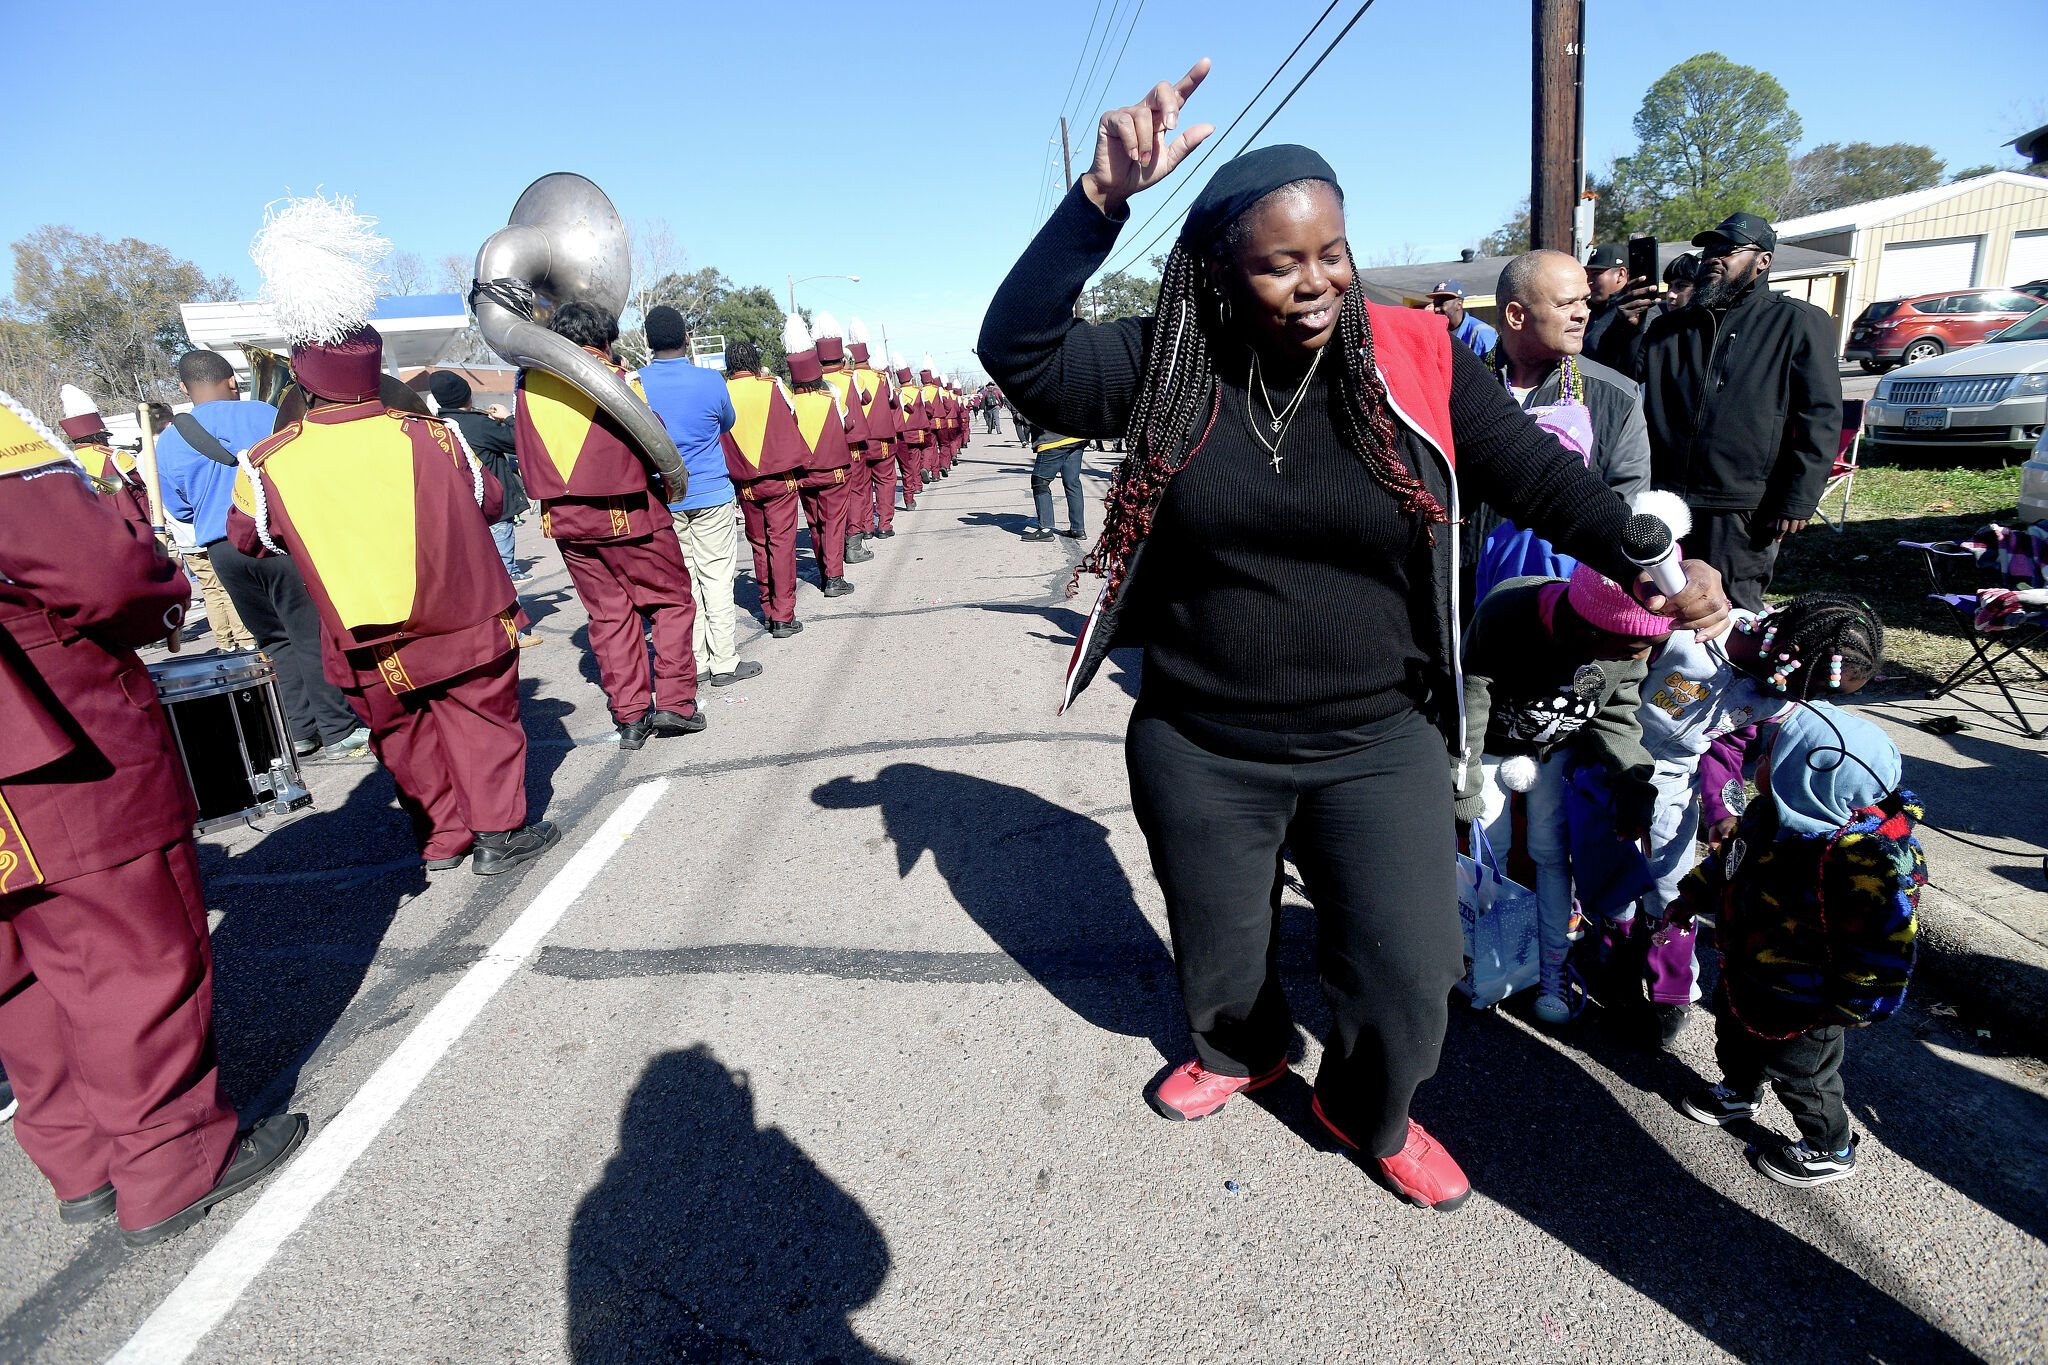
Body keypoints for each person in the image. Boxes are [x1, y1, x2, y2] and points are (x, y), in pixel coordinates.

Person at [979, 60, 1730, 1212]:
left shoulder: (1414, 362)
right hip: (1200, 734)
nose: (1314, 282)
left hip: (1372, 734)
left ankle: (1363, 1107)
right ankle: (1244, 1050)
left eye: (1329, 252)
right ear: (1221, 272)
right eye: (1280, 263)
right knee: (1219, 951)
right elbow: (1019, 355)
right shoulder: (1165, 361)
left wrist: (1647, 556)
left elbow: (1538, 479)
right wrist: (1096, 200)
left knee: (1408, 971)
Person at [0, 391, 307, 1246]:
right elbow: (103, 573)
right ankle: (169, 1162)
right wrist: (161, 601)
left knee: (16, 973)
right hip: (46, 746)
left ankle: (83, 1165)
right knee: (124, 952)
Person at [231, 195, 561, 873]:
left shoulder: (267, 463)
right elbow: (493, 500)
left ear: (303, 376)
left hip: (361, 637)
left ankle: (443, 836)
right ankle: (499, 833)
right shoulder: (434, 437)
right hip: (460, 617)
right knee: (481, 719)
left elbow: (247, 539)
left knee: (402, 732)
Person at [1671, 702, 1923, 1188]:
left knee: (1803, 1073)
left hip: (1811, 997)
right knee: (1734, 1028)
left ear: (1810, 780)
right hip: (1748, 961)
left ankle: (1829, 1146)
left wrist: (1858, 1003)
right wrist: (1692, 896)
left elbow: (1886, 943)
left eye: (1769, 759)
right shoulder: (1770, 813)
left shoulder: (1869, 863)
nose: (1757, 765)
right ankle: (1740, 1089)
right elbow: (1731, 860)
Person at [1629, 591, 1886, 1047]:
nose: (1813, 699)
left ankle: (1671, 992)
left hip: (1670, 785)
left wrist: (1722, 811)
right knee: (1599, 869)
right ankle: (1603, 954)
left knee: (1670, 884)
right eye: (1817, 686)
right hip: (1608, 759)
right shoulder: (1691, 633)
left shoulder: (1775, 694)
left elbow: (1726, 743)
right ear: (1790, 653)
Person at [1459, 566, 1669, 1024]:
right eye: (1630, 649)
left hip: (1556, 750)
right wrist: (1464, 776)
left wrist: (1632, 779)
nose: (1638, 659)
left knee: (1550, 853)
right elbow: (1471, 694)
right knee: (1489, 854)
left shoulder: (1629, 647)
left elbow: (1617, 711)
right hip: (1491, 746)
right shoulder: (1507, 612)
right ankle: (1488, 960)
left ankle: (1552, 965)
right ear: (1588, 628)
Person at [156, 349, 368, 757]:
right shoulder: (263, 413)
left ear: (184, 388)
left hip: (221, 549)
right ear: (232, 380)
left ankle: (300, 731)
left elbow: (179, 507)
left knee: (272, 639)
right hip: (273, 537)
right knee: (308, 633)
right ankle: (339, 731)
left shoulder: (167, 441)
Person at [1630, 213, 1843, 611]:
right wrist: (1622, 323)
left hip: (1741, 504)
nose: (1713, 258)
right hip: (1666, 499)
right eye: (1708, 250)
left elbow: (1821, 415)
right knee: (1658, 607)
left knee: (1732, 612)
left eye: (1727, 250)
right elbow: (1617, 380)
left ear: (1762, 261)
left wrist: (1797, 498)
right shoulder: (1667, 329)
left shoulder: (1797, 322)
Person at [517, 301, 706, 748]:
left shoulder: (526, 384)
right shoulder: (613, 379)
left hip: (565, 522)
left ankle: (631, 716)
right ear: (604, 340)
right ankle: (676, 702)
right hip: (627, 514)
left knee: (608, 615)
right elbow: (653, 438)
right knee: (671, 603)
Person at [1467, 249, 1655, 610]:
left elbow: (1626, 506)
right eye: (1566, 303)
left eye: (1584, 300)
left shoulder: (1616, 397)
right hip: (1464, 598)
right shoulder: (1460, 388)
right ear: (1516, 315)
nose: (1583, 313)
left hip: (1564, 606)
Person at [638, 305, 760, 688]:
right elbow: (727, 423)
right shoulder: (710, 381)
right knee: (718, 578)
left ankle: (698, 660)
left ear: (647, 342)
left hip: (665, 496)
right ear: (687, 338)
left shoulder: (635, 384)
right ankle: (725, 660)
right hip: (711, 491)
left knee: (684, 581)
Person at [429, 371, 539, 647]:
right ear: (468, 394)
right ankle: (514, 632)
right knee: (500, 574)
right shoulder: (476, 423)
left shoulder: (436, 427)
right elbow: (522, 441)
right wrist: (508, 418)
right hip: (492, 509)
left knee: (476, 577)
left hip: (461, 513)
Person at [720, 338, 811, 638]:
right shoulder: (772, 385)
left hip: (744, 483)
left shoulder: (723, 390)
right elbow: (793, 417)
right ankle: (784, 614)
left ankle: (769, 609)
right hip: (780, 477)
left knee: (758, 544)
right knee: (782, 545)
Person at [782, 313, 857, 598]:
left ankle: (826, 573)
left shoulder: (789, 399)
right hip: (834, 470)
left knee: (814, 524)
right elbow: (848, 424)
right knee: (833, 524)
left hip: (803, 474)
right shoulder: (833, 394)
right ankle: (835, 577)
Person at [807, 312, 876, 568]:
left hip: (824, 447)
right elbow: (866, 399)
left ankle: (833, 550)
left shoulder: (814, 383)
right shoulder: (852, 377)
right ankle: (854, 543)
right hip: (852, 444)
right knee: (856, 492)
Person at [58, 384, 149, 529]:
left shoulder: (68, 462)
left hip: (98, 524)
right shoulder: (113, 455)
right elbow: (146, 478)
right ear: (98, 437)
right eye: (104, 437)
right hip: (134, 522)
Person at [846, 319, 902, 542]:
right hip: (882, 440)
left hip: (857, 441)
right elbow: (893, 402)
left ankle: (867, 525)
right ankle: (885, 524)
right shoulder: (881, 377)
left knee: (861, 484)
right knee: (886, 481)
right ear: (867, 356)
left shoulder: (848, 378)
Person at [1023, 426, 1087, 542]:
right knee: (1072, 482)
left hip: (1052, 440)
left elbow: (1028, 415)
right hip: (1076, 438)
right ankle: (1078, 529)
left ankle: (1045, 529)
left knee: (1040, 482)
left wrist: (1019, 417)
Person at [1580, 243, 1632, 365]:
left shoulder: (1637, 314)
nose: (1589, 281)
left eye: (1596, 273)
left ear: (1621, 274)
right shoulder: (1586, 311)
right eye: (1588, 274)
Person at [892, 352, 930, 509]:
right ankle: (917, 485)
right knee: (915, 458)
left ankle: (915, 486)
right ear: (910, 377)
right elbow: (929, 410)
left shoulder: (895, 392)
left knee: (906, 463)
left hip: (899, 434)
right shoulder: (920, 392)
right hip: (916, 431)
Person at [1426, 281, 1496, 359]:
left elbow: (1489, 369)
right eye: (1435, 304)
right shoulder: (1438, 332)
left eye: (1441, 304)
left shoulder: (1481, 333)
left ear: (1459, 304)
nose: (1436, 308)